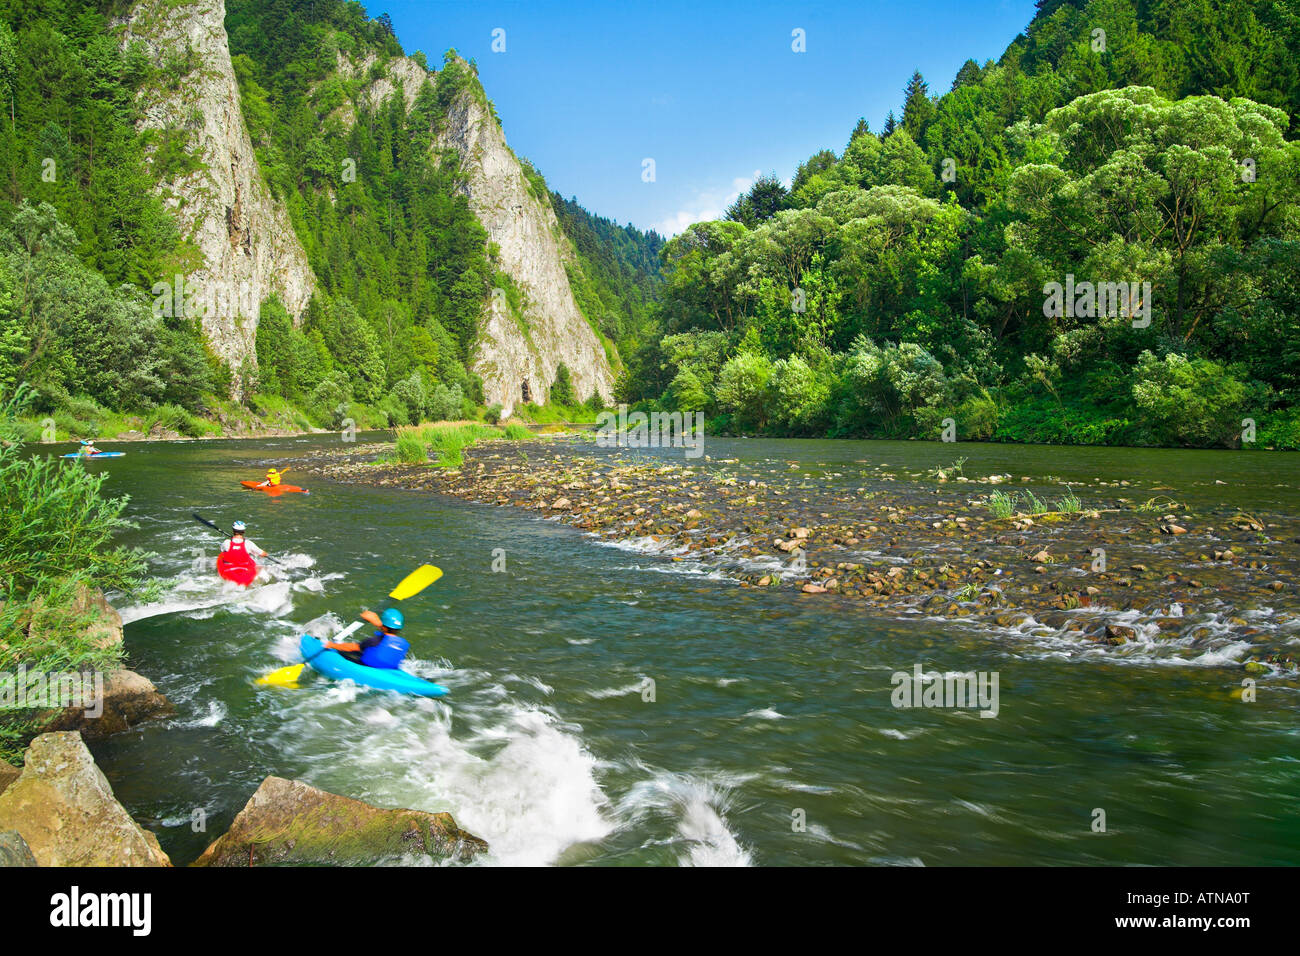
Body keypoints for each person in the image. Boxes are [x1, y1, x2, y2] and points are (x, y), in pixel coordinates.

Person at [324, 608, 409, 670]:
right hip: (388, 670)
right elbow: (388, 634)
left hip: (366, 667)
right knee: (368, 650)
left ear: (384, 626)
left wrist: (332, 645)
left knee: (341, 651)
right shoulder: (404, 644)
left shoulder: (375, 641)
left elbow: (352, 647)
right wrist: (378, 623)